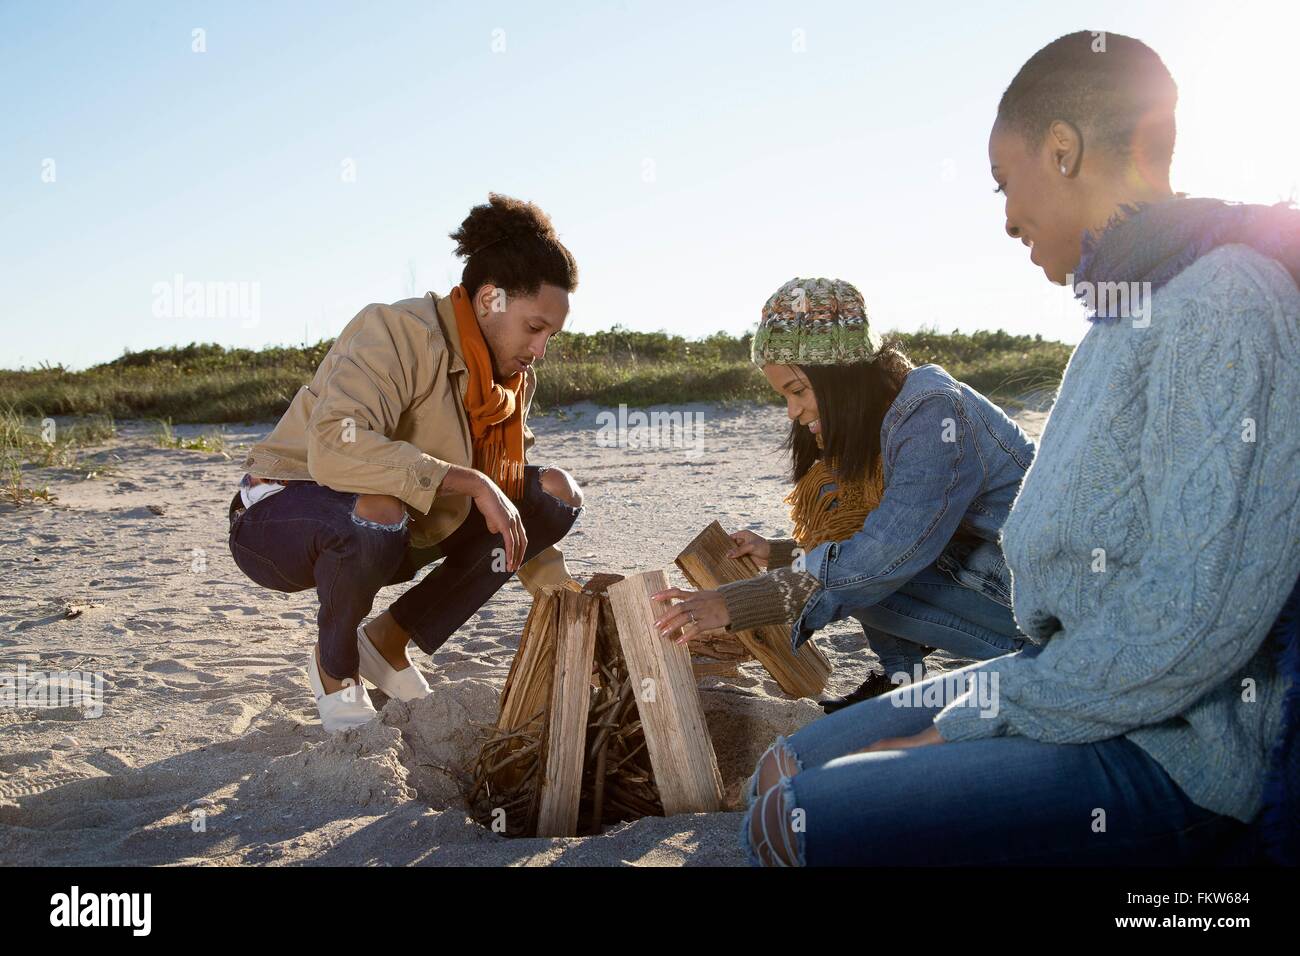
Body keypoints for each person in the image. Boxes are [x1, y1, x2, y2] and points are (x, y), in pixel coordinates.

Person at [734, 31, 1300, 866]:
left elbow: (1192, 622)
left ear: (1063, 151)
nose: (1005, 219)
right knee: (775, 772)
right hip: (1062, 672)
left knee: (792, 821)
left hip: (1173, 743)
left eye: (1006, 184)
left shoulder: (1223, 304)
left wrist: (977, 720)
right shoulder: (1121, 313)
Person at [228, 193, 585, 732]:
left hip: (403, 524)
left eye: (550, 336)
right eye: (534, 327)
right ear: (489, 299)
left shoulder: (511, 380)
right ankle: (334, 668)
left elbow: (513, 508)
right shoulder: (395, 332)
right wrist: (468, 480)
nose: (539, 349)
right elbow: (334, 443)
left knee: (553, 492)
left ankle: (386, 643)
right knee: (380, 505)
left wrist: (570, 603)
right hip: (281, 516)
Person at [653, 276, 1034, 711]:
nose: (794, 412)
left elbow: (882, 556)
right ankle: (901, 679)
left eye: (798, 391)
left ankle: (1039, 664)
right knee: (849, 566)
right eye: (784, 396)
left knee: (863, 579)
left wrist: (736, 603)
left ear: (842, 376)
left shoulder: (933, 415)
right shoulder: (896, 405)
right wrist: (781, 554)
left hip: (1048, 608)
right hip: (997, 578)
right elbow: (890, 530)